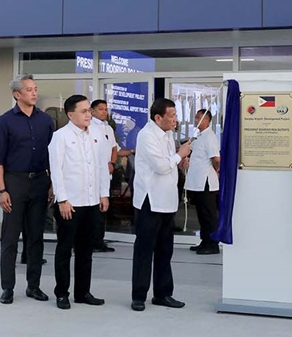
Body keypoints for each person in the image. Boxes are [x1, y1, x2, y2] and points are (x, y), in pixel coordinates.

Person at [0, 75, 55, 305]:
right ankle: (7, 287)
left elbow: (52, 157)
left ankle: (33, 286)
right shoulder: (4, 122)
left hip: (39, 182)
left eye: (35, 89)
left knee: (36, 237)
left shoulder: (46, 120)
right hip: (14, 183)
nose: (34, 93)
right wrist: (2, 191)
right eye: (29, 90)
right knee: (10, 238)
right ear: (17, 94)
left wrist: (51, 185)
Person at [49, 95, 110, 310]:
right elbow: (56, 171)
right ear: (70, 114)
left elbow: (102, 166)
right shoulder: (61, 137)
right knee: (65, 249)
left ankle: (83, 292)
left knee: (86, 250)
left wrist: (104, 194)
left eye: (88, 110)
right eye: (83, 111)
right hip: (70, 203)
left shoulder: (97, 134)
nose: (88, 114)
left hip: (92, 202)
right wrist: (62, 199)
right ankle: (62, 293)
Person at [130, 98, 191, 311]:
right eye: (171, 116)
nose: (175, 120)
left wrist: (181, 160)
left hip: (167, 200)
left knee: (166, 251)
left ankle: (163, 293)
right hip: (150, 200)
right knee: (145, 250)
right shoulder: (146, 135)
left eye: (175, 115)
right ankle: (139, 295)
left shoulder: (168, 135)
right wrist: (179, 155)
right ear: (158, 118)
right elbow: (161, 166)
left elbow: (171, 163)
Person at [185, 109, 221, 255]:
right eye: (196, 117)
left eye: (199, 118)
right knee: (201, 214)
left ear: (207, 120)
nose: (196, 120)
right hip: (197, 182)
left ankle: (212, 244)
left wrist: (217, 171)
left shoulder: (210, 137)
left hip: (206, 182)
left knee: (209, 215)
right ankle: (204, 241)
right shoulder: (199, 136)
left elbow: (216, 159)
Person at [90, 98, 118, 252]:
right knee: (92, 209)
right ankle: (90, 241)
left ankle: (99, 241)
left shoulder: (108, 128)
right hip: (93, 175)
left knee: (103, 209)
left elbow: (114, 148)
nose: (104, 112)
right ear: (92, 111)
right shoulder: (90, 127)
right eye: (100, 109)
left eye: (106, 109)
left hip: (106, 174)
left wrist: (112, 163)